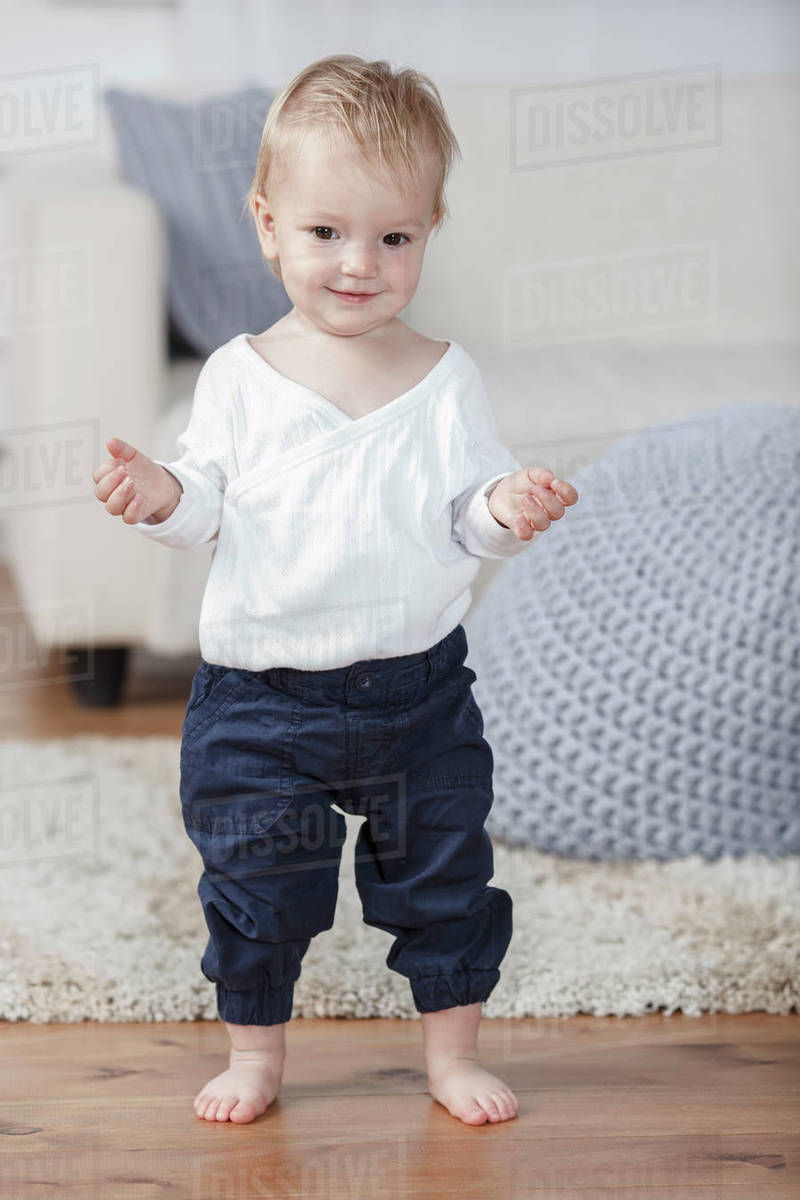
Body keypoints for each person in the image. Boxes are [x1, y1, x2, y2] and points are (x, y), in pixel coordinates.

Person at [91, 54, 578, 1128]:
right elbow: (205, 507)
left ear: (426, 231)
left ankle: (449, 1058)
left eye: (392, 237)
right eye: (325, 233)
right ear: (267, 225)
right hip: (261, 702)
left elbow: (464, 515)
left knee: (445, 878)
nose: (358, 264)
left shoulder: (445, 378)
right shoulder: (238, 377)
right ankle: (255, 1055)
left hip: (418, 693)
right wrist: (157, 489)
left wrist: (507, 507)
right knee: (258, 888)